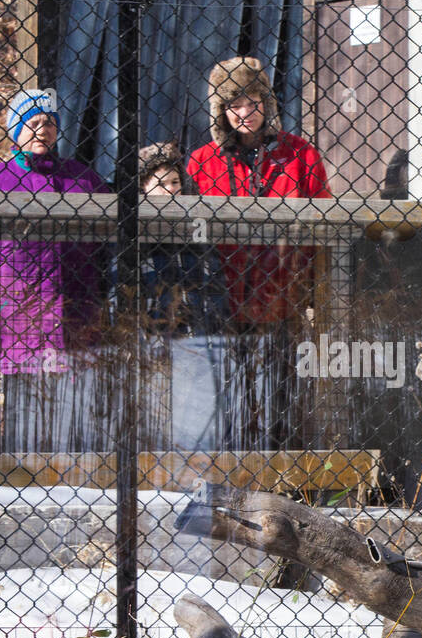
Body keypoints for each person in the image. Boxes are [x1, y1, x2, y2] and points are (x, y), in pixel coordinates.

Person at [185, 57, 330, 453]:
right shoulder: (201, 163)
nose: (244, 112)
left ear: (267, 103)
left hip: (285, 300)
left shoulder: (300, 155)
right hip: (222, 302)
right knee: (228, 400)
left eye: (252, 101)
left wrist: (314, 295)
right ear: (221, 111)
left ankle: (285, 476)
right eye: (234, 105)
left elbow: (325, 231)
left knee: (284, 399)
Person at [0, 89, 110, 451]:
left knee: (75, 419)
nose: (42, 129)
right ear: (15, 129)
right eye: (33, 121)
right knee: (26, 419)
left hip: (75, 308)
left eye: (50, 123)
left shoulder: (83, 178)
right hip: (19, 314)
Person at [138, 141, 224, 335]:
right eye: (160, 183)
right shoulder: (137, 237)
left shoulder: (197, 232)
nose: (170, 189)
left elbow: (215, 285)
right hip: (153, 332)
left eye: (175, 182)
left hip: (200, 332)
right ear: (144, 186)